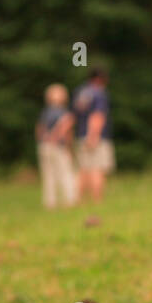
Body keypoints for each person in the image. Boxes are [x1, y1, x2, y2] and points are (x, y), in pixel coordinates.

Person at [73, 68, 114, 203]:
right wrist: (93, 136)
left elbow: (74, 115)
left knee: (83, 169)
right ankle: (97, 200)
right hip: (96, 137)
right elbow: (97, 115)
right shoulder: (99, 93)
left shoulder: (80, 92)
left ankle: (80, 200)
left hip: (80, 135)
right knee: (98, 168)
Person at [35, 84, 77, 209]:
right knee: (65, 173)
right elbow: (66, 128)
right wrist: (68, 146)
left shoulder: (45, 112)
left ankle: (50, 203)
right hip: (58, 146)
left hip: (44, 146)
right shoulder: (64, 112)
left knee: (48, 175)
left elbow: (39, 129)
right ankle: (69, 200)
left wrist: (44, 140)